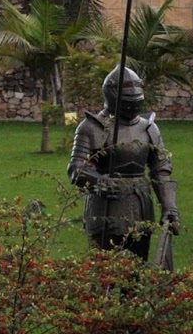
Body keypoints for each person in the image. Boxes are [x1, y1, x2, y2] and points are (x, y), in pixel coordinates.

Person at [68, 66, 180, 261]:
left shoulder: (149, 128)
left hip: (140, 207)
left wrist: (169, 207)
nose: (132, 106)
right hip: (104, 208)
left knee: (136, 273)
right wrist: (99, 182)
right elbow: (76, 169)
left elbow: (160, 170)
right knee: (103, 274)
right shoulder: (92, 127)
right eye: (127, 102)